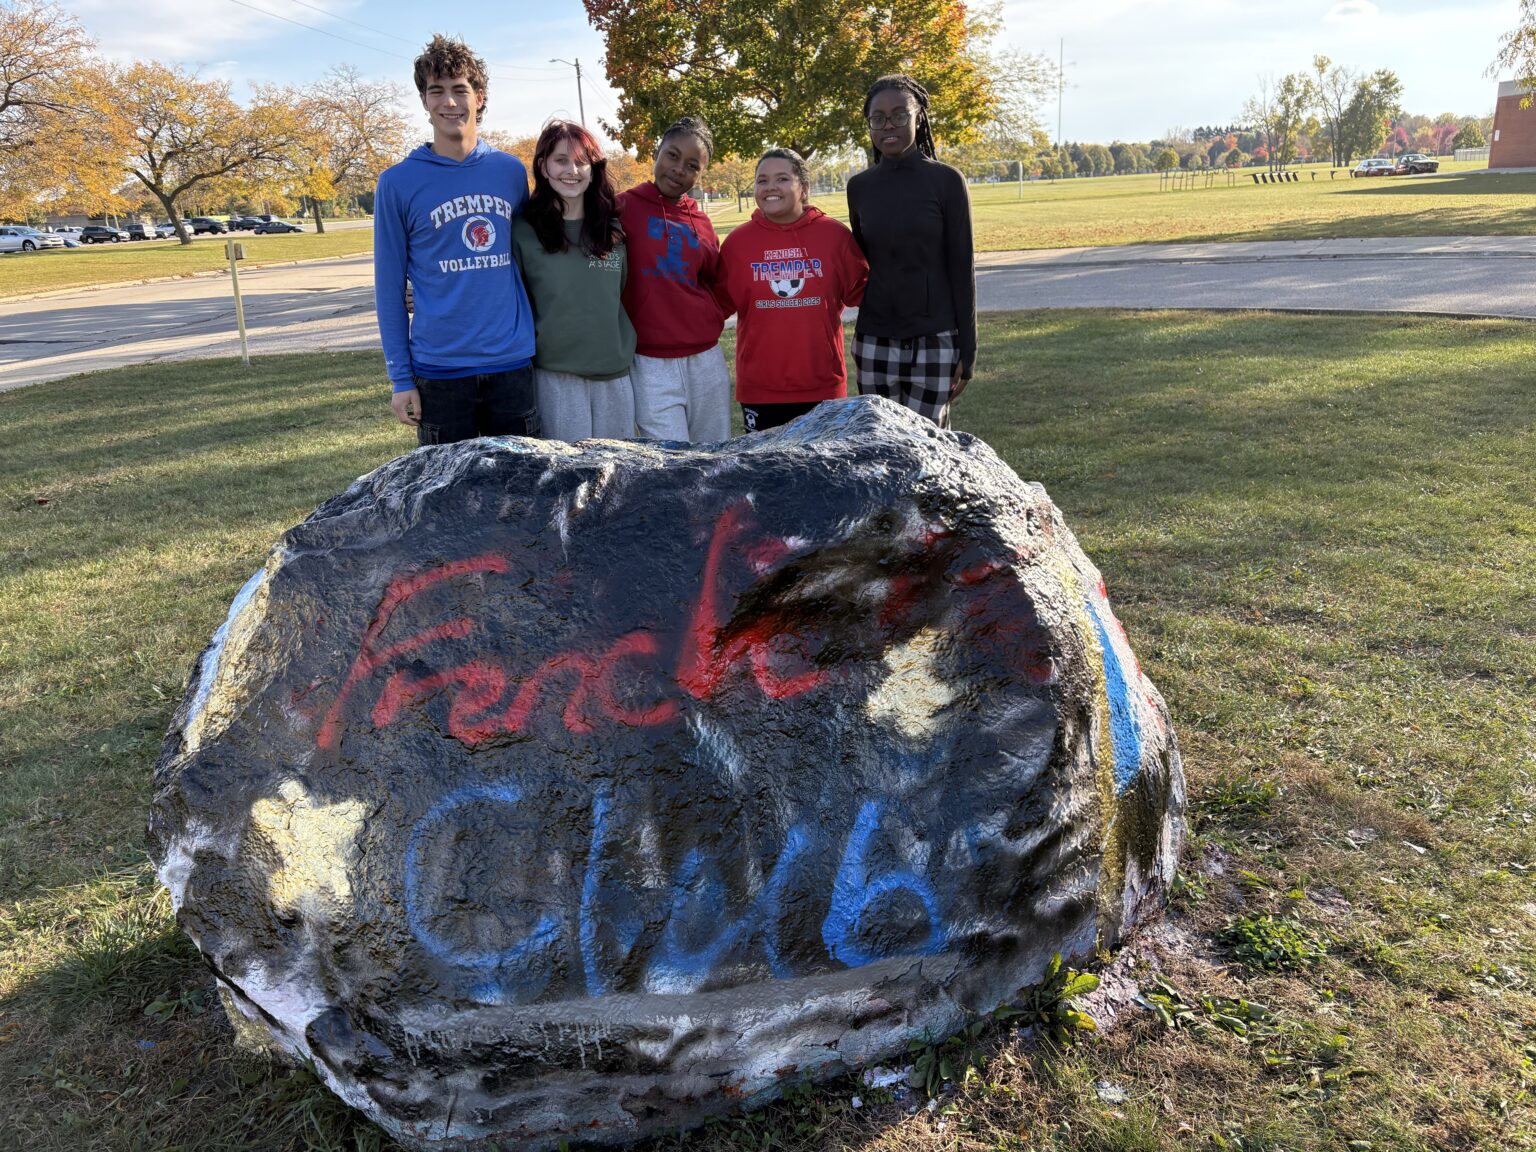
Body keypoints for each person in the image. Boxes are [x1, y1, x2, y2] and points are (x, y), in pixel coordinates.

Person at [374, 34, 539, 444]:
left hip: (511, 365)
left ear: (479, 97)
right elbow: (388, 288)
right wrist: (400, 378)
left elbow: (531, 257)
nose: (449, 102)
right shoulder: (396, 183)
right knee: (445, 502)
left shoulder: (510, 172)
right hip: (439, 372)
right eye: (437, 91)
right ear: (424, 101)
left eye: (459, 90)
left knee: (521, 496)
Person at [846, 75, 977, 429]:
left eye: (899, 115)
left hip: (935, 341)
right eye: (878, 118)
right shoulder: (859, 188)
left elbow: (961, 268)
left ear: (918, 117)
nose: (888, 125)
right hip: (874, 341)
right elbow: (863, 265)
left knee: (929, 453)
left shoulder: (947, 181)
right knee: (880, 449)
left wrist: (969, 349)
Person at [714, 149, 868, 432]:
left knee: (822, 472)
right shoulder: (737, 244)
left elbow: (865, 295)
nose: (770, 187)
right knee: (766, 472)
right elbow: (716, 307)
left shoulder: (834, 236)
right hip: (760, 389)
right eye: (762, 180)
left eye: (782, 178)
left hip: (823, 386)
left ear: (804, 188)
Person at [513, 120, 636, 441]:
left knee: (616, 478)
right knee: (566, 483)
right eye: (561, 160)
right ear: (543, 166)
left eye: (582, 162)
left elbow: (620, 293)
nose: (573, 170)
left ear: (594, 169)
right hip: (556, 377)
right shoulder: (523, 231)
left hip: (614, 374)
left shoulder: (613, 231)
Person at [616, 116, 730, 442]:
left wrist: (704, 317)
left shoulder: (702, 222)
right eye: (673, 155)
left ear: (702, 173)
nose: (680, 169)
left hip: (706, 359)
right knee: (670, 464)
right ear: (658, 152)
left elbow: (714, 284)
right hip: (650, 362)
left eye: (693, 165)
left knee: (716, 456)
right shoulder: (622, 207)